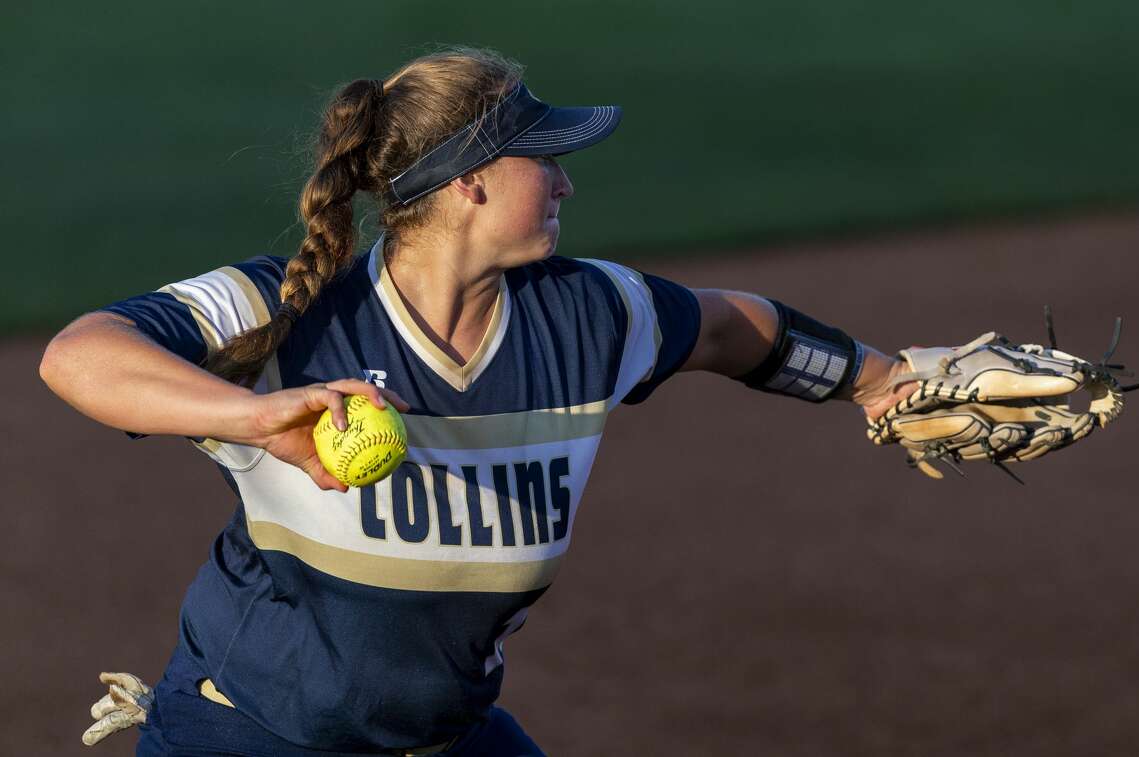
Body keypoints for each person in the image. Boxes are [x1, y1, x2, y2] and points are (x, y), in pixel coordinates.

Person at [40, 47, 915, 756]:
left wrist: (880, 379)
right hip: (248, 735)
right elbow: (79, 356)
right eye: (547, 160)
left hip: (444, 739)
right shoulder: (288, 310)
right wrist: (255, 417)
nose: (567, 184)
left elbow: (735, 329)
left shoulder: (593, 313)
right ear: (470, 181)